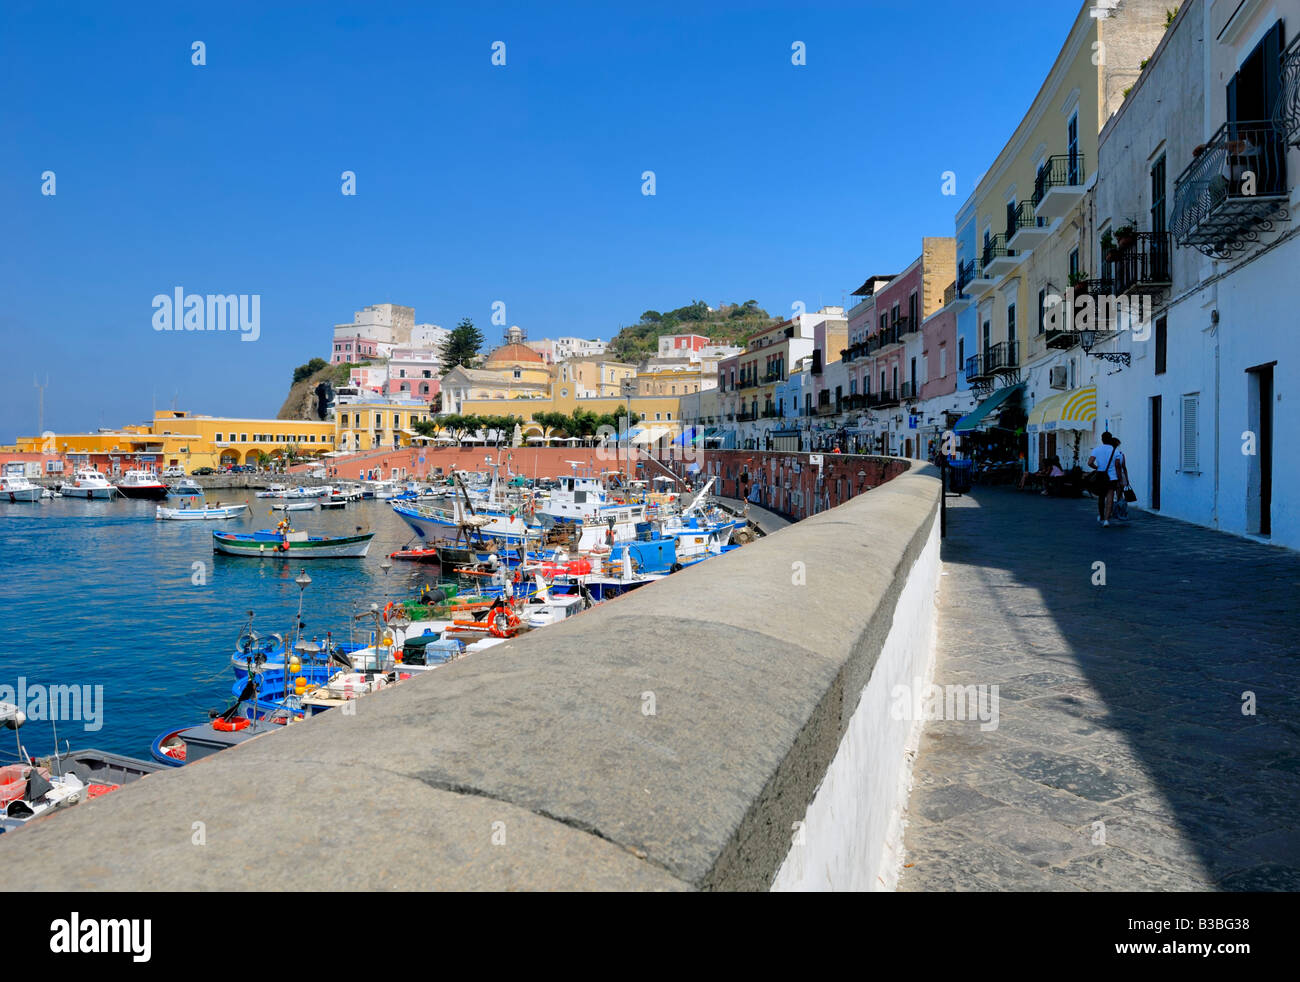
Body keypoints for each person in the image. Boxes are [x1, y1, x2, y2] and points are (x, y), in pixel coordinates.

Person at [1087, 432, 1123, 527]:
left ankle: (1101, 515)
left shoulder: (1096, 450)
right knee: (1110, 498)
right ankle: (1107, 520)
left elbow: (1090, 462)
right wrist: (1120, 479)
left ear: (1102, 439)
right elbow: (1117, 466)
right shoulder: (1115, 451)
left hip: (1100, 476)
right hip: (1112, 477)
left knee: (1101, 497)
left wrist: (1097, 467)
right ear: (1110, 439)